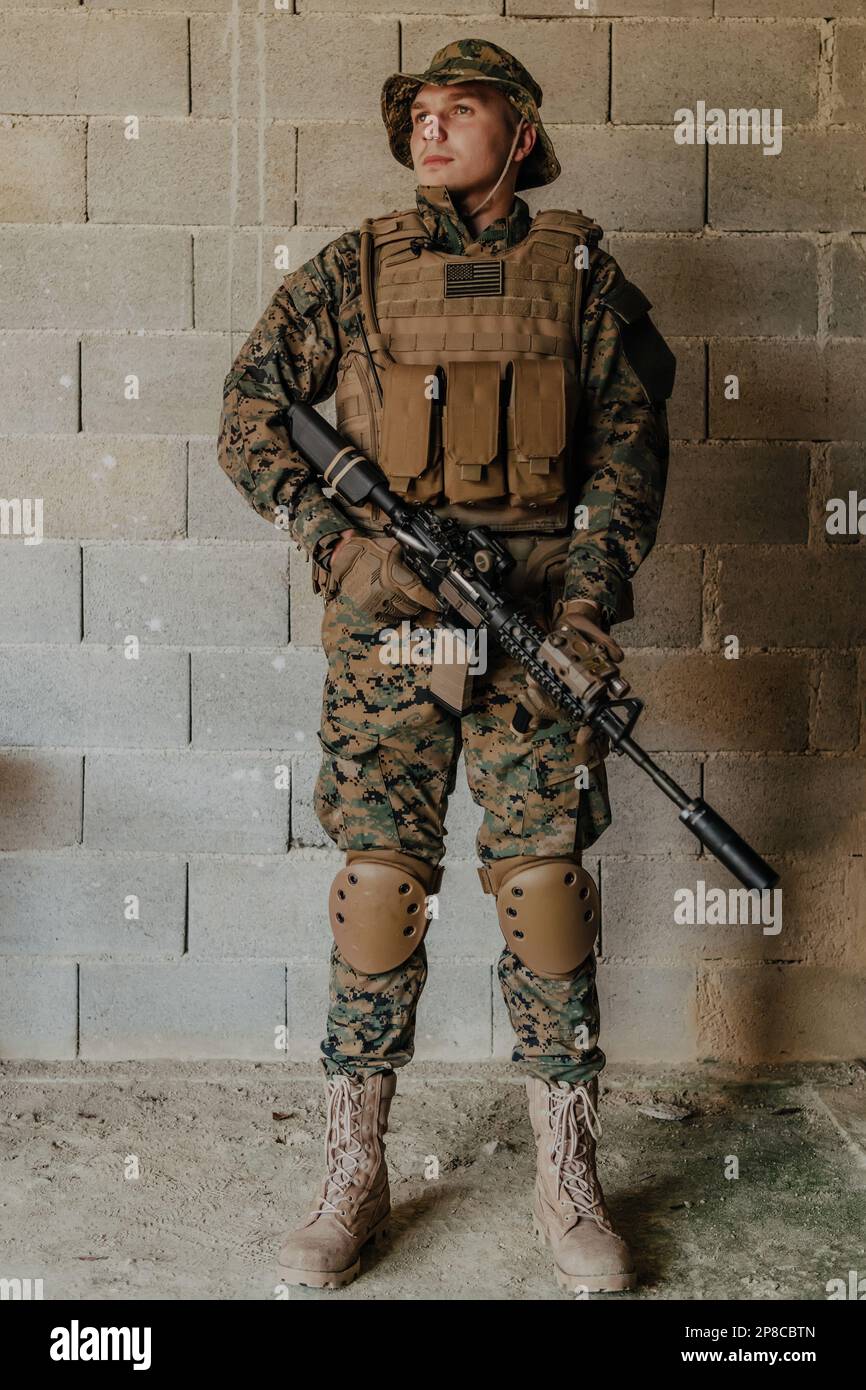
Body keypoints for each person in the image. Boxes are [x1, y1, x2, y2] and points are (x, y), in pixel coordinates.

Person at [218, 38, 675, 1295]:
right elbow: (248, 404)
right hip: (391, 629)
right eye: (416, 114)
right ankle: (352, 1174)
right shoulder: (355, 270)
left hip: (531, 628)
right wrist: (336, 546)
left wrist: (582, 608)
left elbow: (626, 459)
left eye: (455, 112)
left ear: (517, 132)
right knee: (377, 888)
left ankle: (566, 1176)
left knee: (542, 891)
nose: (428, 132)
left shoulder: (577, 272)